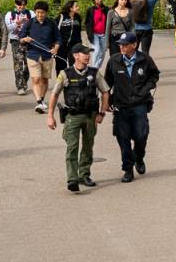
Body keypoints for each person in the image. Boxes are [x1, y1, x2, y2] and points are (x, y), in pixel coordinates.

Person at [45, 43, 110, 193]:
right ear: (76, 56)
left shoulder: (94, 73)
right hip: (72, 117)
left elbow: (105, 92)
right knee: (72, 147)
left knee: (88, 147)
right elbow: (54, 94)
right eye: (84, 53)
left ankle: (84, 175)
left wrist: (102, 113)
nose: (88, 56)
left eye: (89, 53)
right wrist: (50, 116)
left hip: (90, 116)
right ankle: (72, 179)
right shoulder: (65, 73)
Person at [104, 31, 160, 183]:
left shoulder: (145, 59)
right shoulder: (114, 60)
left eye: (125, 45)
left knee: (141, 136)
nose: (121, 47)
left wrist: (145, 89)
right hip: (121, 105)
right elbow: (106, 83)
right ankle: (128, 169)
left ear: (134, 45)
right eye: (120, 45)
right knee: (123, 139)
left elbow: (154, 75)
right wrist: (106, 101)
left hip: (139, 104)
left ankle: (139, 158)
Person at [22, 1, 60, 113]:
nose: (39, 15)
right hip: (32, 55)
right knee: (36, 79)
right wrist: (25, 39)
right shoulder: (29, 23)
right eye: (37, 13)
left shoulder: (51, 23)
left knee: (44, 79)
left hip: (47, 55)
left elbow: (58, 38)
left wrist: (56, 48)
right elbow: (21, 37)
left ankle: (42, 100)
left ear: (46, 13)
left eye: (42, 13)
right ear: (35, 12)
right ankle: (38, 102)